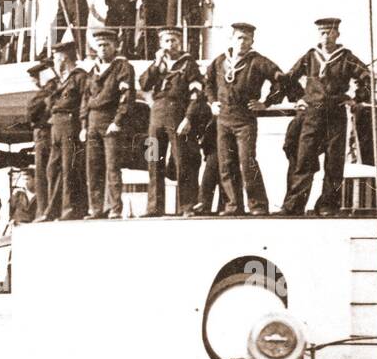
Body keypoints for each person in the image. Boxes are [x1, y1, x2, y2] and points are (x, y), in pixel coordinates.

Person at [281, 17, 371, 216]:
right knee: (304, 159)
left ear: (337, 34)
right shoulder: (310, 56)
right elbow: (289, 78)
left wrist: (357, 99)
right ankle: (294, 206)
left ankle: (327, 205)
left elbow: (367, 77)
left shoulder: (346, 56)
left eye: (330, 32)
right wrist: (298, 98)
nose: (326, 36)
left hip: (336, 113)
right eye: (322, 32)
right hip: (312, 113)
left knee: (334, 161)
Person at [207, 22, 285, 215]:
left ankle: (258, 205)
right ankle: (233, 205)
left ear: (252, 41)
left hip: (245, 119)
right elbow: (207, 83)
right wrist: (212, 102)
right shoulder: (219, 61)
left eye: (247, 38)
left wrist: (266, 103)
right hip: (223, 118)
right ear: (232, 39)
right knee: (226, 163)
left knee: (247, 161)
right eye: (239, 38)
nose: (242, 42)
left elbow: (282, 81)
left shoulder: (258, 61)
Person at [140, 27, 204, 216]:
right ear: (161, 44)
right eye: (167, 41)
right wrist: (156, 65)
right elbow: (144, 84)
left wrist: (188, 118)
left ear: (179, 43)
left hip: (177, 113)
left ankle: (186, 206)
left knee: (182, 160)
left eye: (174, 41)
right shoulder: (158, 65)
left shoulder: (188, 64)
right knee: (153, 159)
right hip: (156, 115)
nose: (170, 45)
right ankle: (154, 207)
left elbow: (196, 93)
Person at [82, 26, 136, 220]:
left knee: (112, 167)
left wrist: (118, 121)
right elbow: (85, 98)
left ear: (115, 46)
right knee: (93, 168)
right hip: (92, 122)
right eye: (100, 45)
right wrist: (83, 125)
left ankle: (115, 208)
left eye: (107, 45)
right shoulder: (92, 71)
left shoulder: (122, 67)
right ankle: (95, 209)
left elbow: (126, 96)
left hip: (110, 121)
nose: (103, 48)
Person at [41, 41, 88, 221]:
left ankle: (69, 209)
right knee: (52, 169)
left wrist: (83, 126)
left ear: (64, 57)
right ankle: (52, 209)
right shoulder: (59, 80)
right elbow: (49, 104)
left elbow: (84, 101)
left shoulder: (79, 77)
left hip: (70, 123)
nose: (54, 60)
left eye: (56, 56)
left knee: (69, 169)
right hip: (57, 125)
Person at [27, 58, 56, 218]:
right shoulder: (48, 90)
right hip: (45, 133)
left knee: (43, 174)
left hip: (45, 135)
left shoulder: (48, 90)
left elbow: (31, 110)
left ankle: (44, 210)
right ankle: (45, 209)